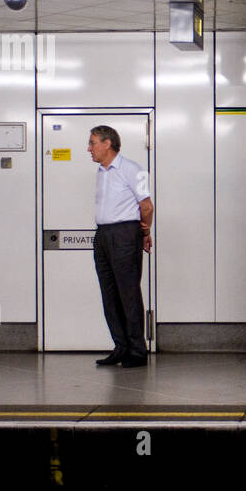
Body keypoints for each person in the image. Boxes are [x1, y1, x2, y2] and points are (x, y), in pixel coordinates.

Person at [88, 126, 153, 367]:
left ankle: (137, 350)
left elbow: (146, 206)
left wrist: (144, 232)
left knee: (128, 293)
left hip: (126, 233)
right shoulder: (101, 172)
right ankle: (121, 347)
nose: (89, 148)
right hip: (103, 234)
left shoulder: (132, 169)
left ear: (107, 144)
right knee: (110, 294)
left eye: (93, 143)